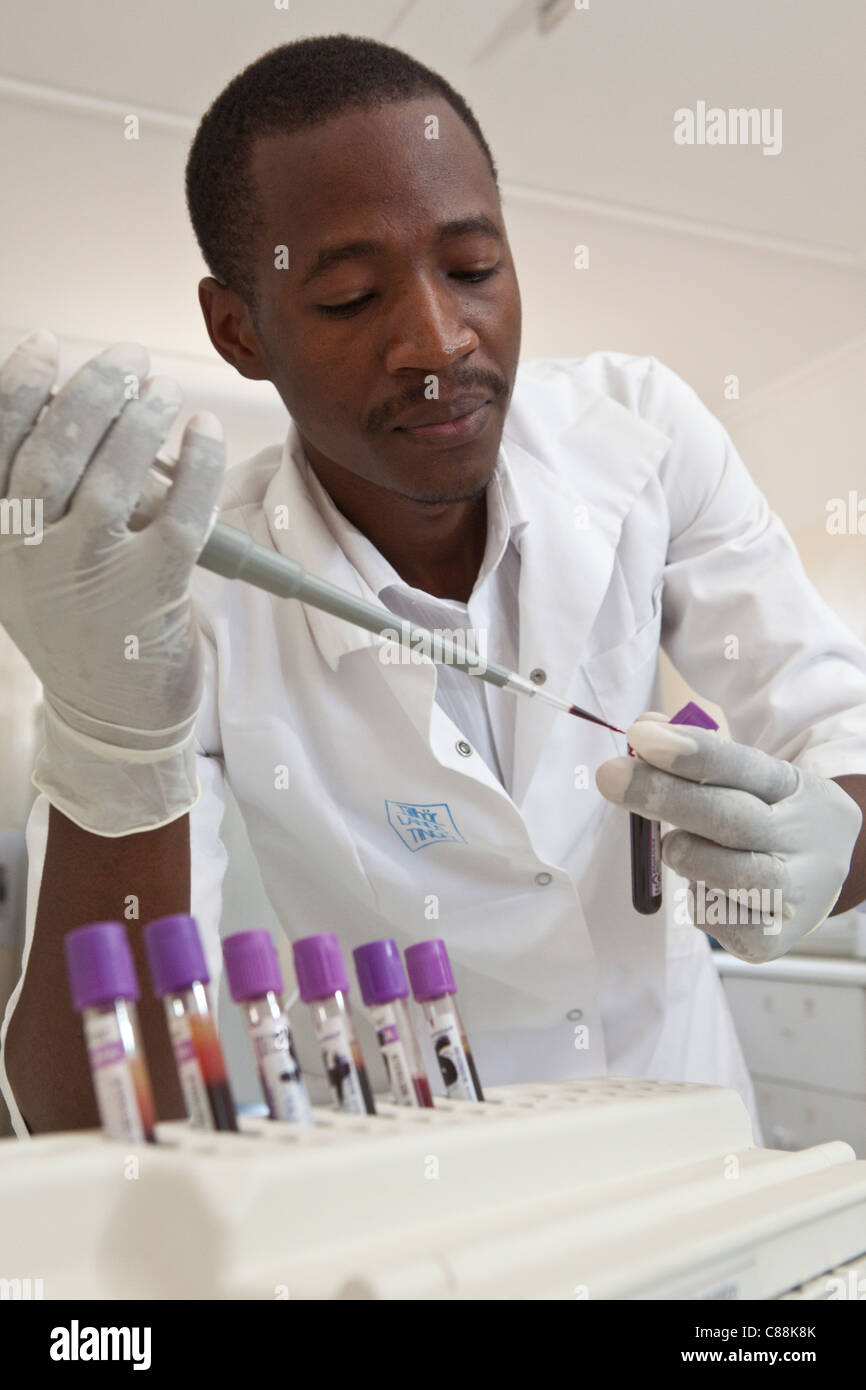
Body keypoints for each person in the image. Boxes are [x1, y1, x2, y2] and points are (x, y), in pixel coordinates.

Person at [1, 36, 864, 1140]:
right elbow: (88, 1122)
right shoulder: (184, 605)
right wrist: (108, 735)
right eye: (353, 298)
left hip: (690, 1161)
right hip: (430, 1203)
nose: (437, 339)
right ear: (237, 332)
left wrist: (829, 839)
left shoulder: (640, 439)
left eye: (471, 268)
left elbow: (835, 720)